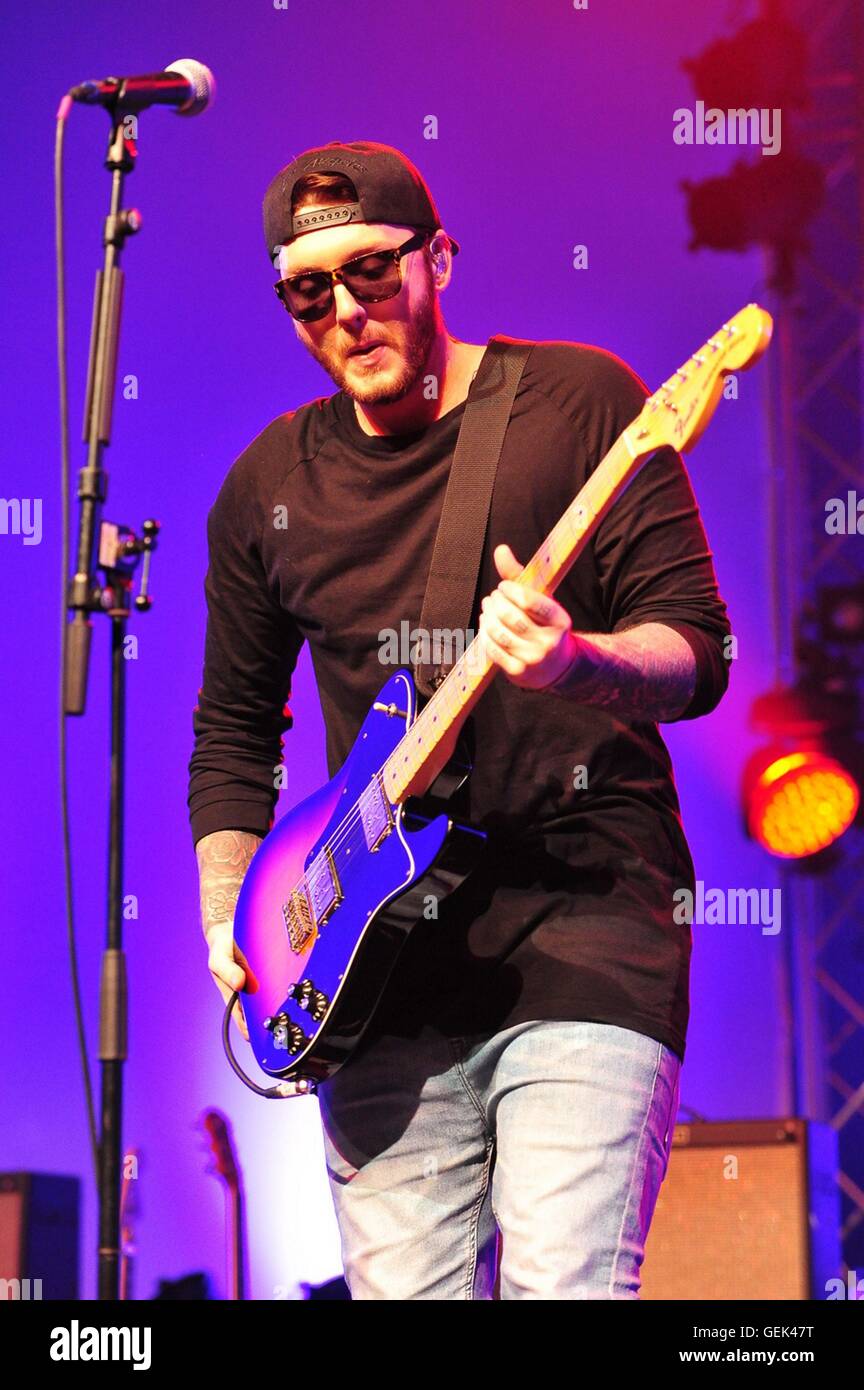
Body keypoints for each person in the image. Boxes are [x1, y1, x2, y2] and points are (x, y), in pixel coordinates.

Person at [187, 139, 732, 1300]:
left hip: (584, 935)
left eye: (374, 272)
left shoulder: (583, 404)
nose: (346, 310)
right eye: (309, 291)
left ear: (439, 258)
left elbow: (696, 648)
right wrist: (235, 916)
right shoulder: (263, 491)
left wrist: (578, 662)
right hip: (374, 975)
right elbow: (235, 730)